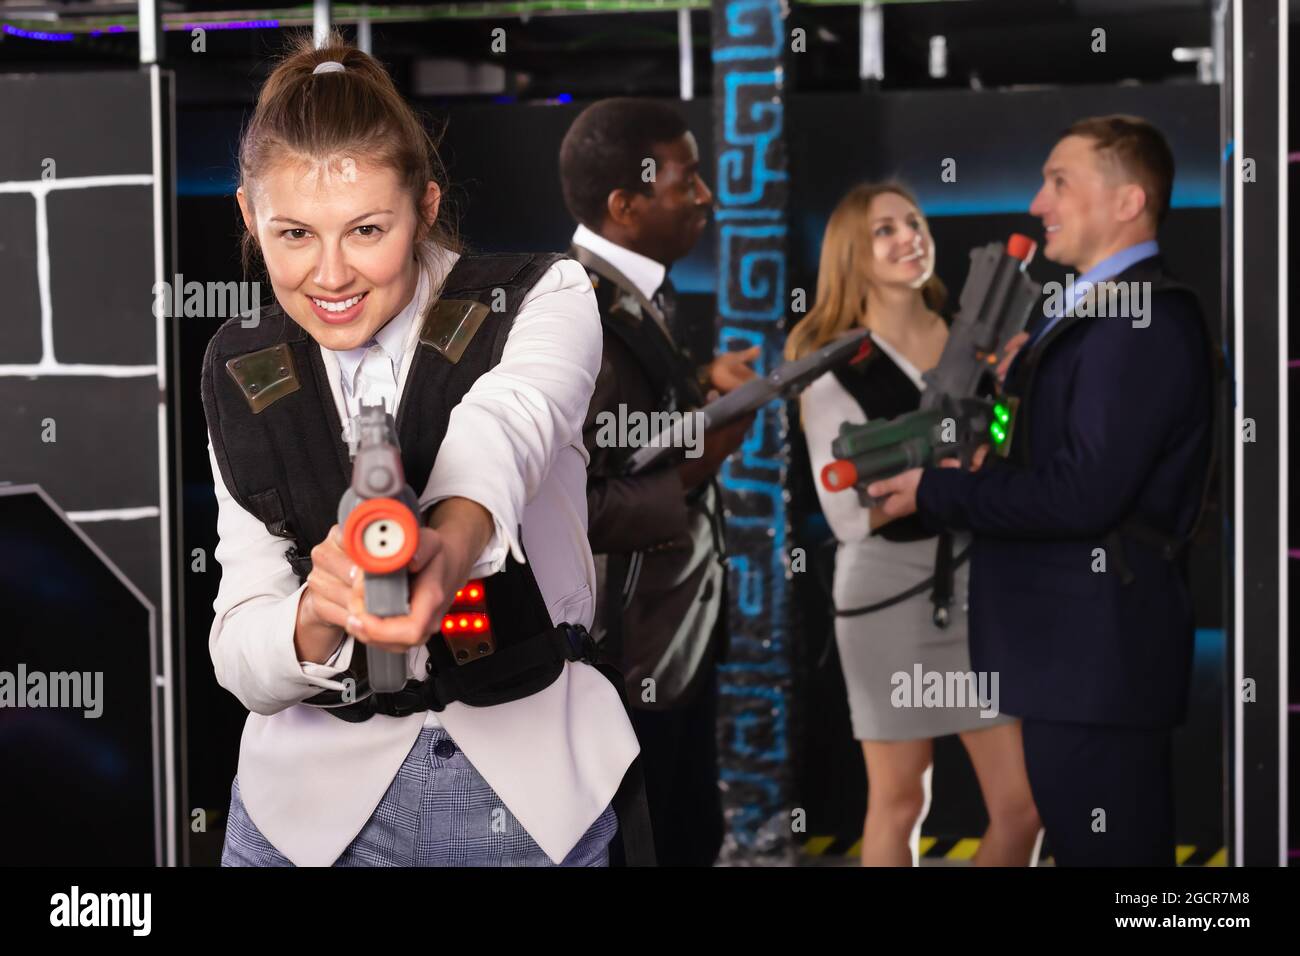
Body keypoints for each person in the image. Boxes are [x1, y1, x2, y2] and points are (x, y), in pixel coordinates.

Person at [201, 34, 640, 867]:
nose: (329, 275)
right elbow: (240, 649)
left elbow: (503, 435)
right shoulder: (240, 364)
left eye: (367, 229)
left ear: (427, 207)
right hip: (301, 816)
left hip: (526, 800)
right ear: (248, 218)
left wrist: (445, 547)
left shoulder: (545, 295)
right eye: (293, 234)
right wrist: (316, 618)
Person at [868, 116, 1215, 866]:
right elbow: (1057, 458)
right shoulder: (1103, 315)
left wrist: (939, 491)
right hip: (1077, 660)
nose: (1036, 201)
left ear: (1128, 202)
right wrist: (1012, 390)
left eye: (1059, 181)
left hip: (1096, 659)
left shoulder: (1140, 316)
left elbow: (1082, 495)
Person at [790, 182, 1042, 866]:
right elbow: (848, 513)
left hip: (981, 585)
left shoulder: (976, 341)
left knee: (1022, 806)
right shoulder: (833, 360)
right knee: (900, 802)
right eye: (884, 230)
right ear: (851, 253)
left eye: (914, 222)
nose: (909, 237)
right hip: (887, 596)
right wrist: (950, 475)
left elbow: (1010, 454)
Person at [558, 98, 758, 865]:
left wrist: (703, 387)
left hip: (671, 646)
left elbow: (625, 437)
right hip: (625, 657)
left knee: (690, 838)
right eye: (689, 180)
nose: (707, 195)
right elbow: (568, 506)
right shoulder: (579, 313)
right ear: (625, 205)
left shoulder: (629, 293)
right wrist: (707, 453)